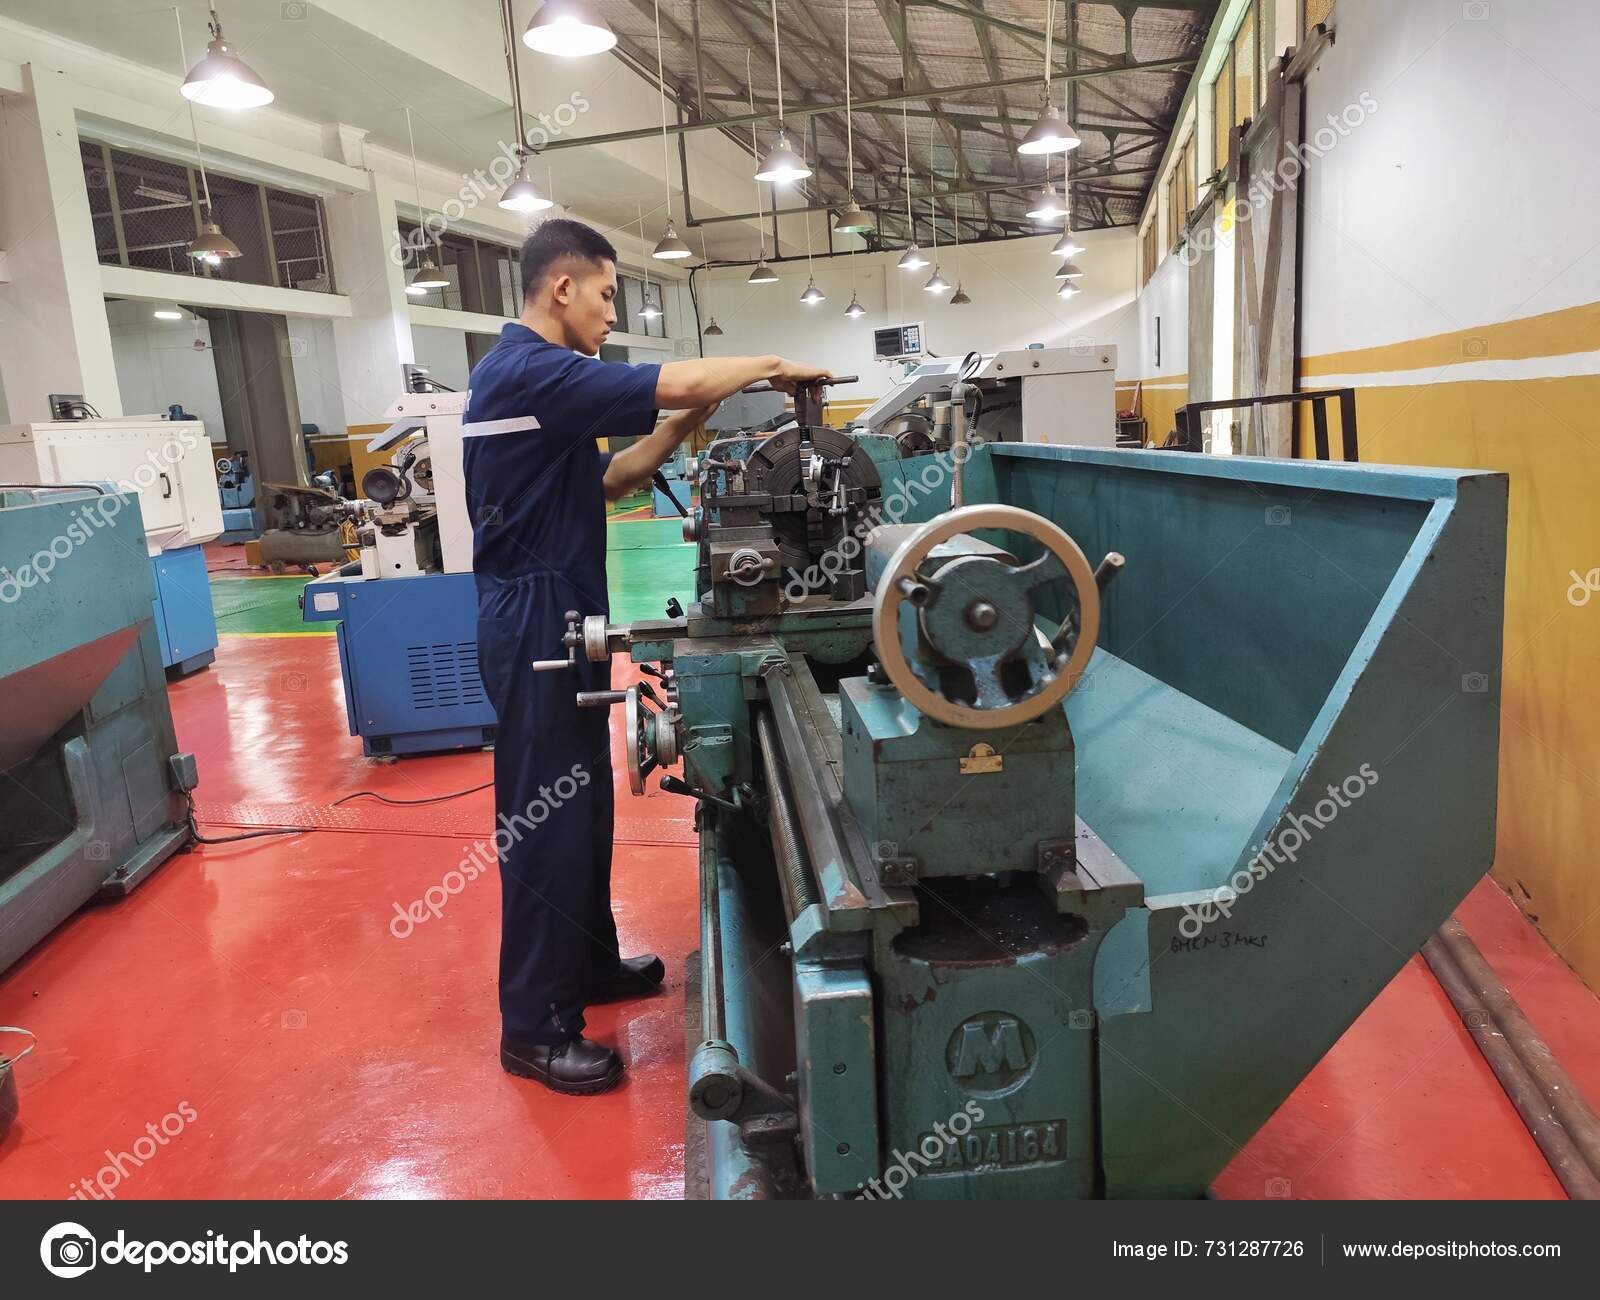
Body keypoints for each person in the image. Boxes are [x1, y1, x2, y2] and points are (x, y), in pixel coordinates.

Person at [462, 218, 829, 1095]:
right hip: (532, 614)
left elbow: (609, 482)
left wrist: (690, 424)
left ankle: (583, 967)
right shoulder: (529, 368)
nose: (609, 312)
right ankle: (533, 1027)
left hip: (561, 605)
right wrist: (771, 366)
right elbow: (674, 376)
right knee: (543, 820)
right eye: (605, 294)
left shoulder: (534, 384)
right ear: (562, 289)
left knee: (580, 803)